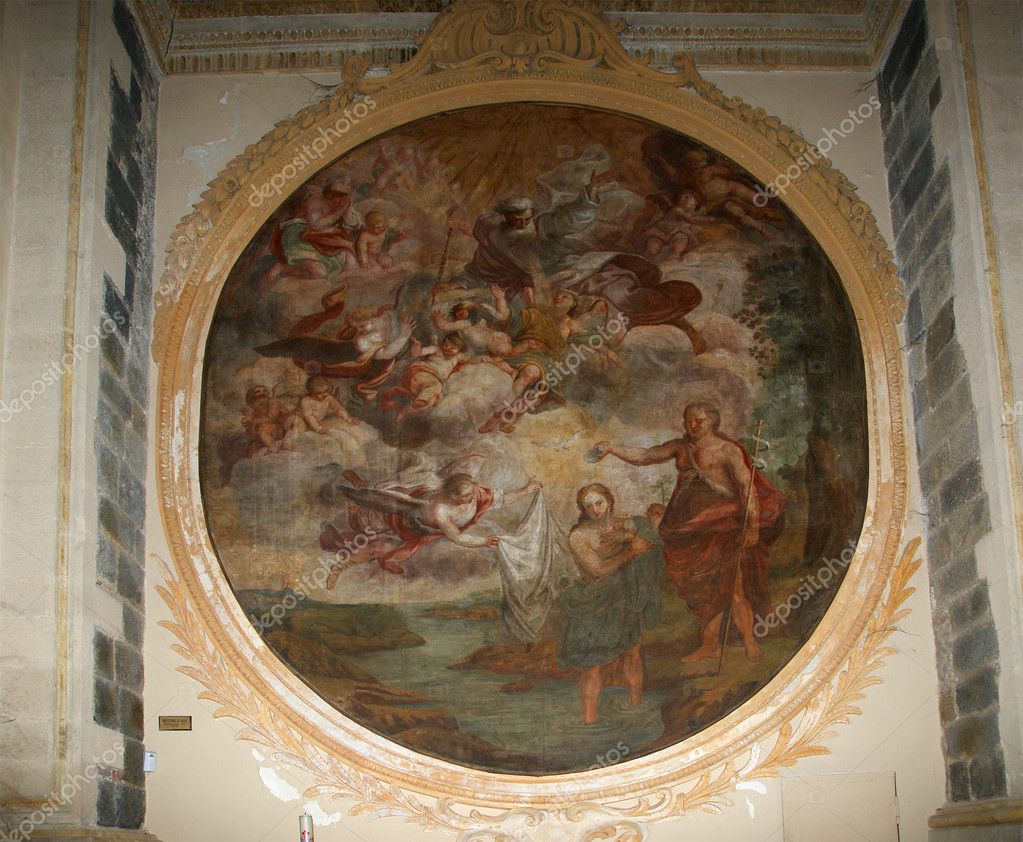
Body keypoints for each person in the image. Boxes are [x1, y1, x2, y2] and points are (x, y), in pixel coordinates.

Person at [592, 401, 785, 664]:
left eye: (699, 420)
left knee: (733, 586)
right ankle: (710, 646)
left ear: (713, 421)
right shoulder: (681, 447)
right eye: (688, 420)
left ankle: (750, 643)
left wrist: (751, 525)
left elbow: (746, 488)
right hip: (692, 531)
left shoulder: (728, 450)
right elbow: (646, 455)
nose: (692, 425)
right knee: (704, 592)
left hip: (723, 526)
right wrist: (612, 448)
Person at [557, 483, 660, 725]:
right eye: (589, 505)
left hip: (625, 597)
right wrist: (632, 551)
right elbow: (598, 569)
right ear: (583, 509)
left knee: (632, 652)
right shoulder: (579, 536)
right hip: (595, 602)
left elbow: (653, 537)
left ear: (609, 501)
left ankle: (636, 706)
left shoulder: (623, 524)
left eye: (599, 502)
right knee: (592, 664)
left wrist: (628, 536)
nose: (595, 509)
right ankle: (589, 722)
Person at [327, 471, 542, 577]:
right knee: (371, 523)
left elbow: (502, 499)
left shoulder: (476, 493)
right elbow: (457, 537)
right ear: (452, 497)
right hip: (411, 523)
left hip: (431, 528)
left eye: (472, 493)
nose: (472, 499)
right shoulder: (439, 510)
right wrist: (484, 541)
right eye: (465, 497)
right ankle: (355, 494)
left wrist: (526, 489)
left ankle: (359, 494)